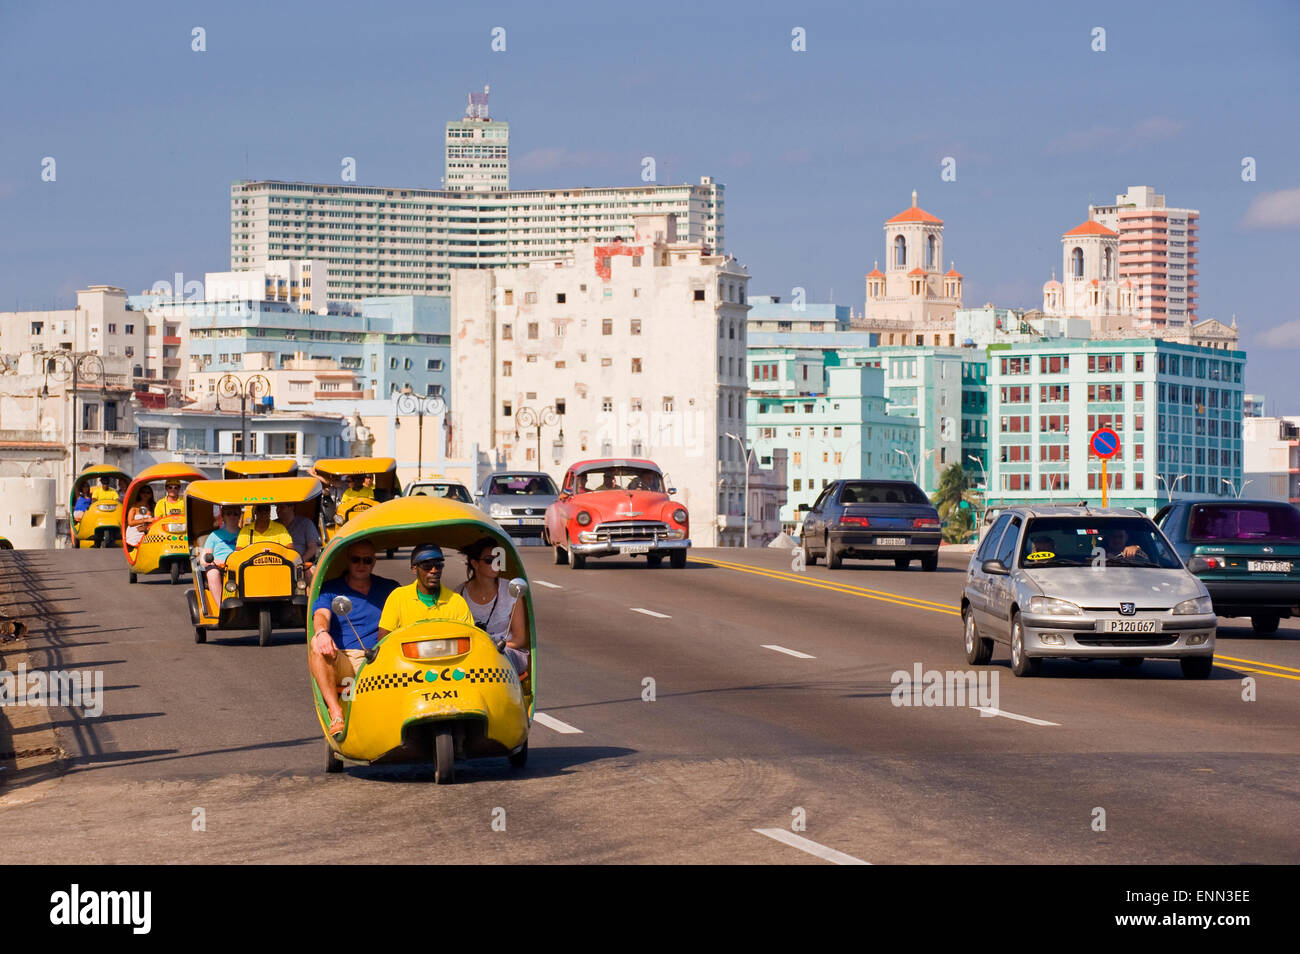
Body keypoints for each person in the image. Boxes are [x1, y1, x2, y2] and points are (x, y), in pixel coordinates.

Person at [309, 540, 402, 737]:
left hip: (382, 659)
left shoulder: (390, 588)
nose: (361, 565)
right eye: (355, 560)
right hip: (346, 660)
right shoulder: (331, 589)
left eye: (367, 560)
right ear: (347, 561)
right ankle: (336, 713)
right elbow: (321, 615)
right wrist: (322, 632)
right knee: (317, 644)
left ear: (374, 562)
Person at [457, 537, 529, 675]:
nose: (496, 564)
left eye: (498, 559)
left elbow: (519, 639)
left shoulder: (512, 590)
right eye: (489, 560)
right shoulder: (459, 594)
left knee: (496, 659)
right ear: (475, 564)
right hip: (473, 653)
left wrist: (495, 649)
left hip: (507, 652)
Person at [376, 544, 475, 638]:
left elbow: (470, 635)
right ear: (414, 569)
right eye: (427, 566)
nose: (434, 570)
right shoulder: (398, 597)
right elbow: (384, 637)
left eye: (438, 565)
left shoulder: (457, 601)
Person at [201, 505, 243, 611]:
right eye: (228, 514)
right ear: (223, 516)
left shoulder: (246, 534)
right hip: (219, 566)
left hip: (241, 565)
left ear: (240, 516)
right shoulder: (214, 535)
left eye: (235, 514)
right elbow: (204, 557)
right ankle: (222, 609)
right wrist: (213, 561)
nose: (232, 516)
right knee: (212, 574)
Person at [277, 500, 321, 579]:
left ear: (292, 507)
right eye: (277, 507)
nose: (278, 510)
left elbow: (312, 548)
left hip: (300, 564)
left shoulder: (306, 523)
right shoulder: (273, 525)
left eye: (281, 507)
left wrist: (299, 562)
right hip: (276, 564)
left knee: (311, 572)